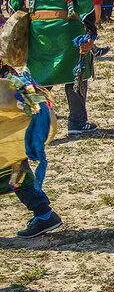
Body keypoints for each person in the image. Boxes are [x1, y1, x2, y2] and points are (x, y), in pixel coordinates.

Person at [9, 0, 98, 135]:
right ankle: (77, 122)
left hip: (39, 27)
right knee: (76, 73)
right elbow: (85, 0)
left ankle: (33, 121)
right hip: (69, 27)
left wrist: (15, 12)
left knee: (40, 75)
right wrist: (91, 30)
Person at [1, 64, 63, 237]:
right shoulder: (9, 76)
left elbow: (29, 96)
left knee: (17, 174)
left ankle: (44, 214)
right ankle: (44, 214)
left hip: (7, 138)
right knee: (17, 173)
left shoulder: (10, 78)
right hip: (9, 139)